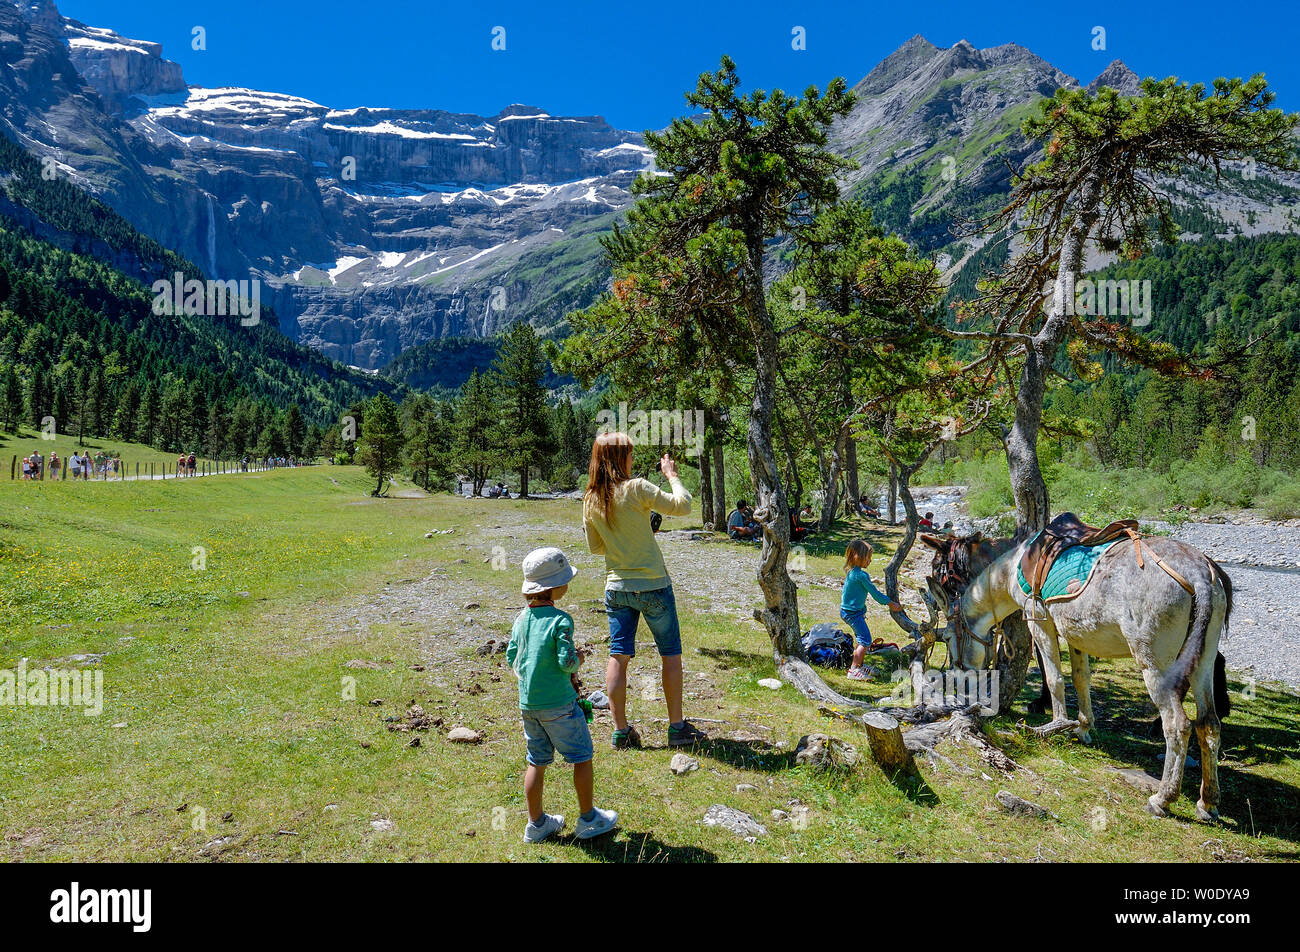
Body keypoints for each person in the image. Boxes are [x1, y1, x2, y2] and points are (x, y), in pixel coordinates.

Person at [583, 433, 706, 749]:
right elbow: (684, 505)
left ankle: (621, 731)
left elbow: (596, 547)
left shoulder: (591, 498)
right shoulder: (637, 487)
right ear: (621, 457)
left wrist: (625, 536)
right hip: (653, 585)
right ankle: (677, 728)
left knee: (618, 656)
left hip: (617, 588)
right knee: (670, 655)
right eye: (630, 454)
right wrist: (672, 476)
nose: (633, 460)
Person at [507, 546, 618, 844]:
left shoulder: (519, 620)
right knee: (582, 757)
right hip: (560, 704)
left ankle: (537, 824)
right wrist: (578, 659)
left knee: (536, 761)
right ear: (555, 587)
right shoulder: (561, 621)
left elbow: (511, 657)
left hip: (528, 705)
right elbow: (566, 662)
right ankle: (588, 819)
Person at [841, 540, 902, 682]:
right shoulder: (861, 576)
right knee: (865, 640)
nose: (870, 560)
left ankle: (859, 665)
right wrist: (890, 603)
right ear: (858, 557)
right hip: (852, 614)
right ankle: (854, 670)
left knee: (861, 638)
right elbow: (875, 594)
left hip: (849, 612)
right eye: (868, 557)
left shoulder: (852, 573)